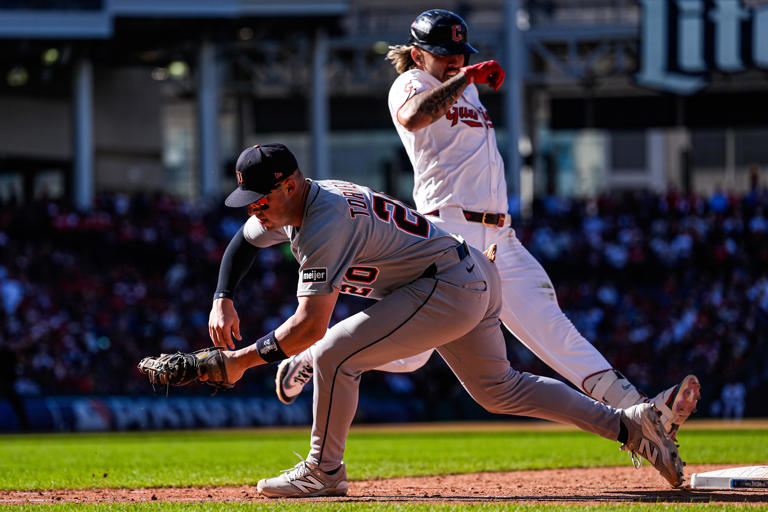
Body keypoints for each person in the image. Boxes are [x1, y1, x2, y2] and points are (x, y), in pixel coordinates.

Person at [274, 8, 700, 439]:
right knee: (414, 356)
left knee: (554, 329)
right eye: (445, 53)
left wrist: (464, 83)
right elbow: (413, 117)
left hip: (501, 233)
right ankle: (316, 353)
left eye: (460, 52)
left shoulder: (464, 90)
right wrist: (465, 79)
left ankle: (642, 414)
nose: (455, 60)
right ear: (419, 54)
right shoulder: (412, 82)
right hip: (450, 233)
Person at [193, 143, 685, 497]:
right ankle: (630, 428)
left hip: (445, 284)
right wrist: (222, 296)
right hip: (467, 273)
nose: (255, 210)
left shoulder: (325, 219)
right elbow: (243, 240)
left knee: (334, 354)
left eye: (262, 198)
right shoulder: (296, 204)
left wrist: (239, 361)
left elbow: (309, 327)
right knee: (501, 390)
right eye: (250, 200)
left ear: (291, 184)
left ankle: (324, 471)